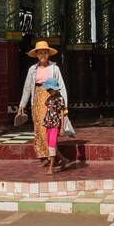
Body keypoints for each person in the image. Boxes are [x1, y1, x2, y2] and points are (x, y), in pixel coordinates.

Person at [14, 40, 71, 170]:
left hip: (52, 101)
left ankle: (57, 158)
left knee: (50, 130)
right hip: (38, 101)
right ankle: (49, 157)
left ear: (48, 54)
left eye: (45, 53)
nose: (43, 55)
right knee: (40, 130)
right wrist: (22, 105)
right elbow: (27, 88)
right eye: (40, 53)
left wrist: (64, 106)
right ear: (37, 55)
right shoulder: (32, 70)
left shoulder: (54, 68)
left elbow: (61, 87)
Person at [40, 77, 69, 174]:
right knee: (52, 146)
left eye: (49, 90)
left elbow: (62, 113)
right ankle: (63, 160)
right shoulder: (50, 98)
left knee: (52, 146)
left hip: (55, 124)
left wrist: (62, 127)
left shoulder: (60, 98)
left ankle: (51, 168)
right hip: (48, 123)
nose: (48, 91)